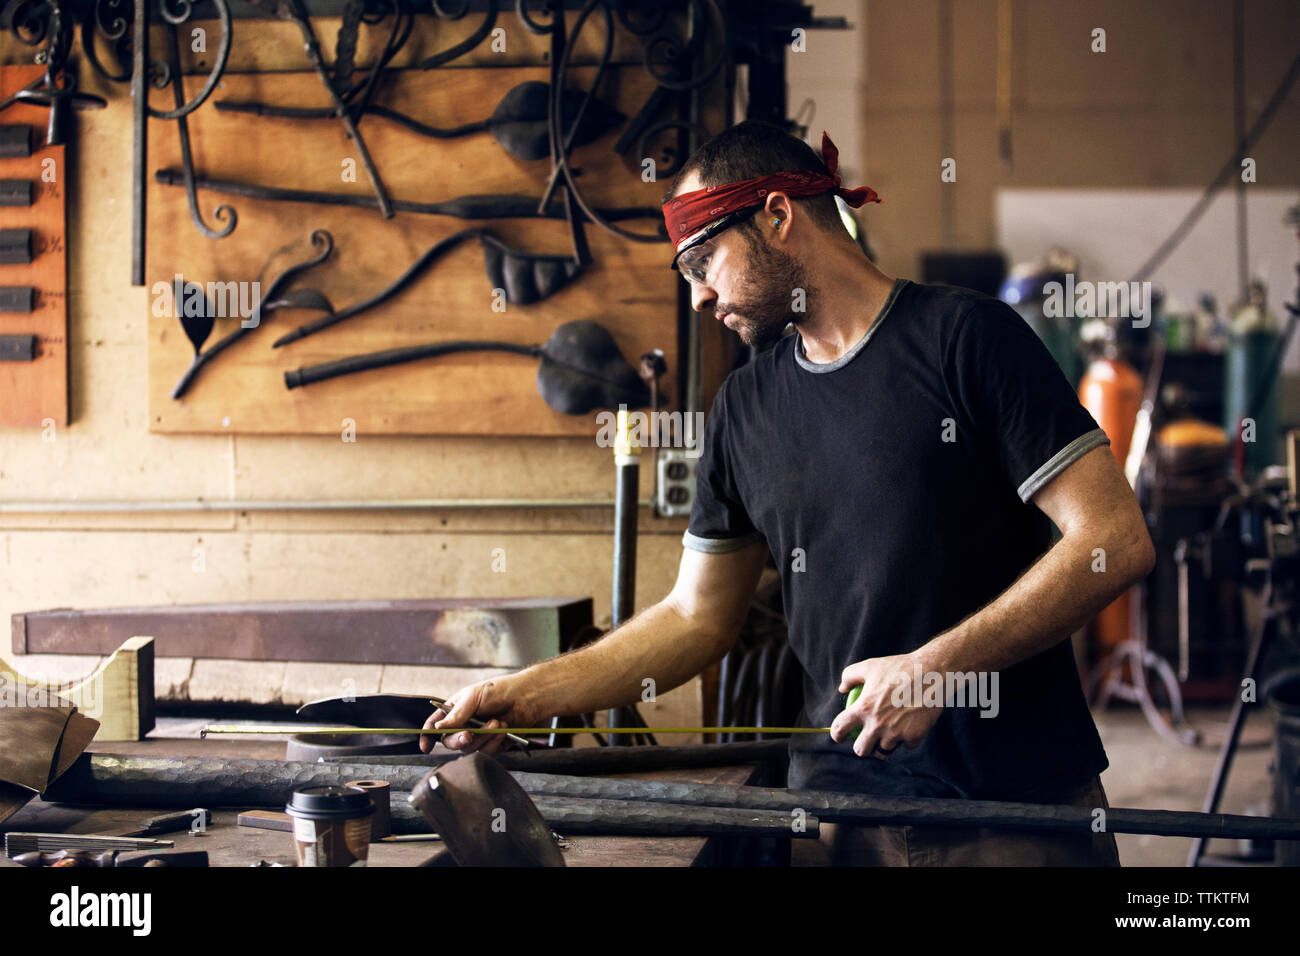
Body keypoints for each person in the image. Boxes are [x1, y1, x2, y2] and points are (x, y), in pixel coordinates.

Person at [421, 121, 1155, 866]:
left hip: (1008, 815)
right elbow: (695, 618)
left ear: (777, 215)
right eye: (688, 276)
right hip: (835, 817)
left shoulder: (967, 339)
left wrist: (941, 667)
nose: (702, 298)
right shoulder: (744, 408)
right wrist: (529, 692)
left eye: (706, 261)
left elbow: (1112, 539)